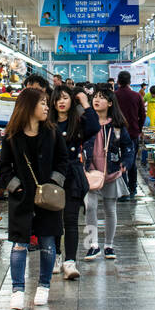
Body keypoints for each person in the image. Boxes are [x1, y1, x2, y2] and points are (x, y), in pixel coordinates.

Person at [0, 88, 68, 310]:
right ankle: (17, 289)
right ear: (29, 107)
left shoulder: (53, 133)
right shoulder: (12, 136)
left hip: (47, 199)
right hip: (22, 199)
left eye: (47, 103)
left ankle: (44, 286)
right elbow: (4, 168)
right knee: (19, 244)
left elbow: (63, 161)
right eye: (43, 103)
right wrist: (15, 187)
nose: (48, 107)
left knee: (48, 242)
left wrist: (54, 184)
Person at [82, 86, 134, 261]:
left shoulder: (117, 126)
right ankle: (93, 245)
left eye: (102, 98)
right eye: (95, 97)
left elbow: (128, 147)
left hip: (111, 172)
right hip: (90, 172)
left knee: (110, 209)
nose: (97, 100)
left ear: (110, 103)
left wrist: (125, 163)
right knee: (90, 207)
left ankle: (109, 245)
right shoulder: (86, 122)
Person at [50, 86, 88, 279]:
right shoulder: (47, 124)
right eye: (58, 99)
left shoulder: (78, 122)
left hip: (73, 176)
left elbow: (95, 128)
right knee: (55, 219)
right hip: (53, 177)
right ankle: (56, 256)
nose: (62, 102)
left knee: (71, 220)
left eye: (65, 98)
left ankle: (70, 262)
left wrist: (85, 103)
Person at [114, 70, 146, 200]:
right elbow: (142, 115)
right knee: (131, 161)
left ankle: (122, 190)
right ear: (130, 81)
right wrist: (138, 128)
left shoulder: (114, 96)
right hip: (132, 132)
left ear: (118, 81)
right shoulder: (136, 96)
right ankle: (132, 189)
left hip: (115, 133)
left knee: (117, 160)